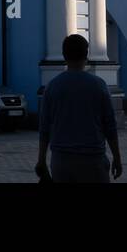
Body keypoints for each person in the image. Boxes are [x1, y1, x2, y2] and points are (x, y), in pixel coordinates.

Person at [36, 34, 122, 182]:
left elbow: (44, 128)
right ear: (86, 54)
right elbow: (110, 126)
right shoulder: (98, 85)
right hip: (93, 159)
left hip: (62, 160)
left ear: (64, 55)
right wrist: (117, 158)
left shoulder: (52, 87)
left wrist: (41, 159)